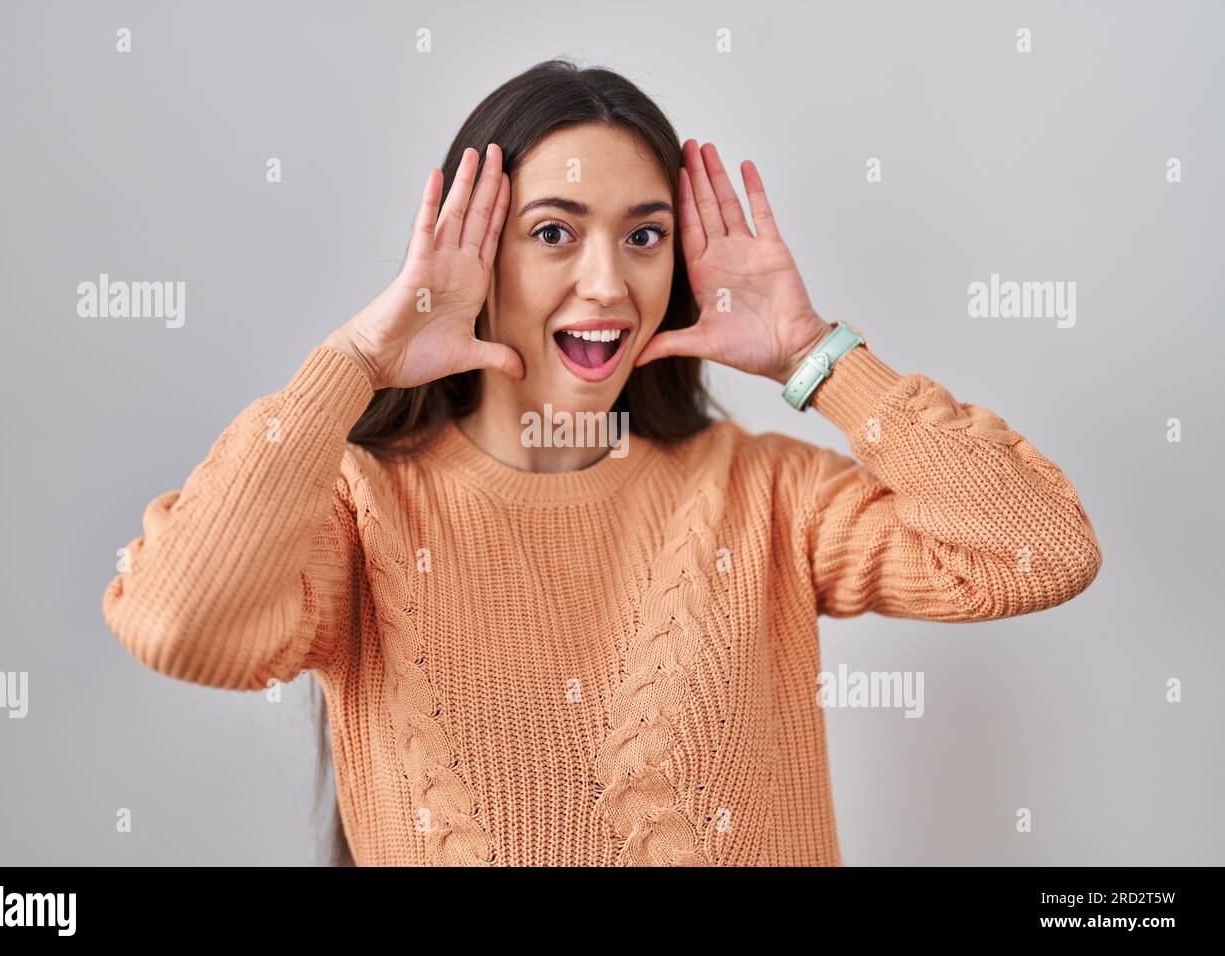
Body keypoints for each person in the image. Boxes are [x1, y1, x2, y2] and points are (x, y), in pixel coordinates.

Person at [101, 59, 1102, 866]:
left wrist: (812, 354)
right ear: (473, 256)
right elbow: (178, 622)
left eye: (644, 236)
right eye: (552, 233)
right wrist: (354, 365)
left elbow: (1038, 551)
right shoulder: (362, 510)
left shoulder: (760, 493)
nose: (606, 281)